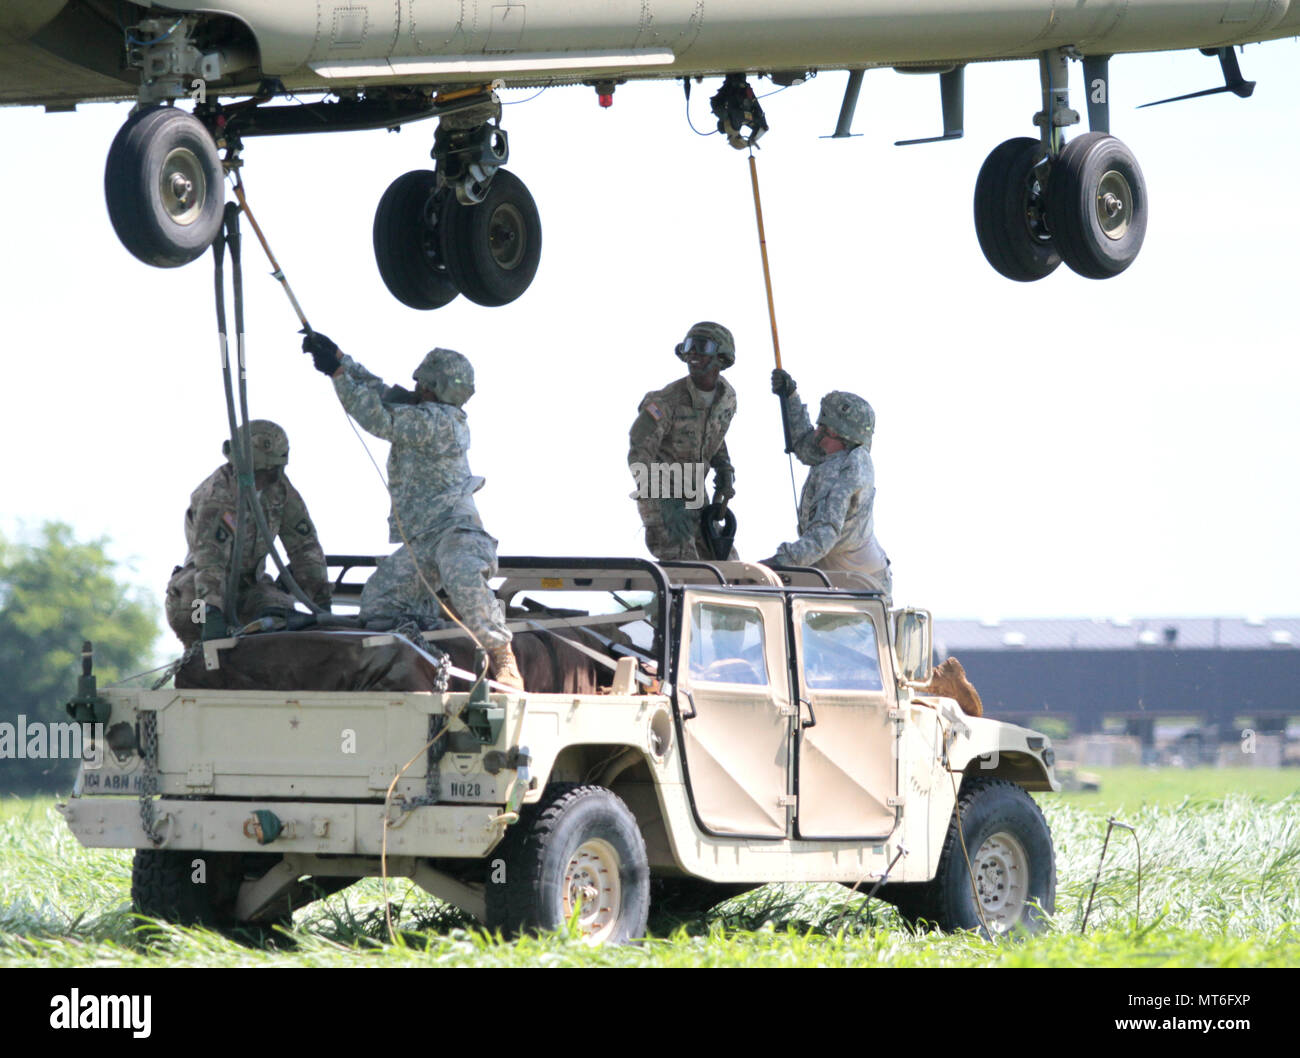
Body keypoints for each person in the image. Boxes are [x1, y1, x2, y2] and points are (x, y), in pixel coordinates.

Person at [302, 330, 524, 690]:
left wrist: (338, 375)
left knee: (462, 576)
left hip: (456, 532)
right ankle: (431, 638)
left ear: (434, 384)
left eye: (423, 381)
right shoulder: (425, 410)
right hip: (424, 539)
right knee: (379, 604)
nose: (416, 385)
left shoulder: (440, 422)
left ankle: (502, 655)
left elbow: (380, 417)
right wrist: (341, 360)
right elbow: (380, 390)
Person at [165, 420, 332, 647]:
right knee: (195, 613)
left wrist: (322, 604)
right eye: (269, 469)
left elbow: (305, 548)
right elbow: (210, 560)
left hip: (251, 587)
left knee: (280, 614)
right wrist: (212, 613)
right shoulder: (218, 495)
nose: (274, 475)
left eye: (277, 469)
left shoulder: (280, 491)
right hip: (202, 590)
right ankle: (199, 660)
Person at [761, 369, 892, 598]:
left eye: (824, 429)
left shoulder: (849, 470)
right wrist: (790, 397)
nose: (817, 433)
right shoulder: (834, 452)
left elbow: (824, 534)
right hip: (833, 576)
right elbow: (804, 444)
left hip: (861, 588)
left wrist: (778, 563)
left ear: (843, 436)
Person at [627, 321, 738, 562]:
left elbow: (716, 435)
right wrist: (663, 500)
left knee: (730, 568)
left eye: (702, 347)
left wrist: (724, 469)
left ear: (721, 357)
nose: (693, 355)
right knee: (685, 568)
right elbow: (638, 453)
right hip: (662, 498)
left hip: (696, 494)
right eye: (689, 347)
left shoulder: (726, 399)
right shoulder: (665, 402)